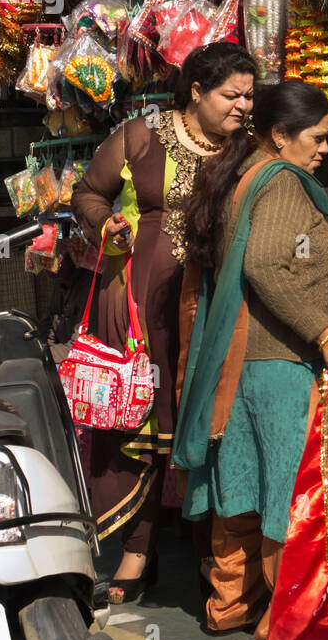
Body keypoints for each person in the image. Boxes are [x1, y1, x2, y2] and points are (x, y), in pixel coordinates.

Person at [71, 42, 257, 604]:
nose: (245, 105)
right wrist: (108, 226)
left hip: (212, 305)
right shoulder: (138, 135)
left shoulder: (248, 150)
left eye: (251, 95)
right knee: (142, 425)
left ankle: (214, 549)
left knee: (206, 417)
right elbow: (87, 194)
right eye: (233, 94)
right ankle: (137, 549)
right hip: (138, 306)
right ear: (196, 92)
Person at [173, 81, 328, 640]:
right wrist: (324, 330)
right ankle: (287, 618)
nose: (325, 149)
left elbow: (280, 256)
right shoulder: (280, 182)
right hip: (279, 361)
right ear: (280, 135)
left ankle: (230, 606)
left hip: (244, 360)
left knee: (245, 482)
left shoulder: (240, 172)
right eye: (318, 137)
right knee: (289, 489)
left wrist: (326, 274)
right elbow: (265, 266)